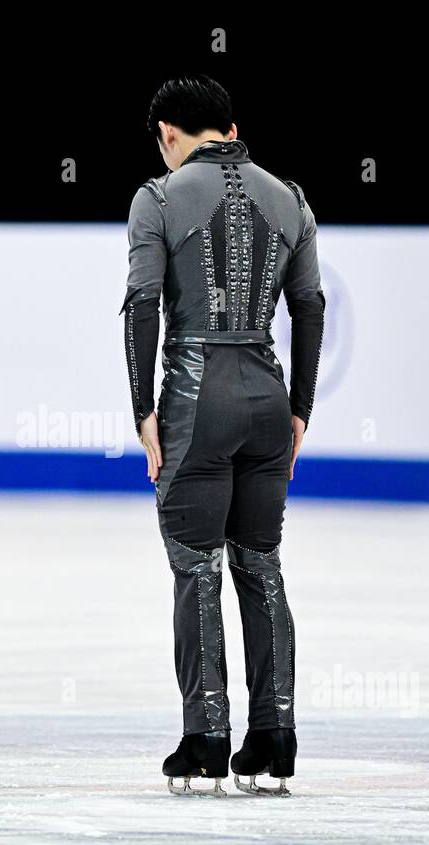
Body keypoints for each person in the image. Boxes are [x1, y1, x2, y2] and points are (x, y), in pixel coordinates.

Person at [122, 76, 325, 796]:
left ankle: (206, 739)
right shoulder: (290, 196)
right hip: (269, 400)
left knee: (196, 568)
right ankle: (274, 736)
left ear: (169, 134)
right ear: (231, 129)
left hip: (194, 400)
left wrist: (142, 407)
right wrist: (300, 409)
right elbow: (308, 305)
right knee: (262, 567)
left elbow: (143, 305)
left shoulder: (157, 196)